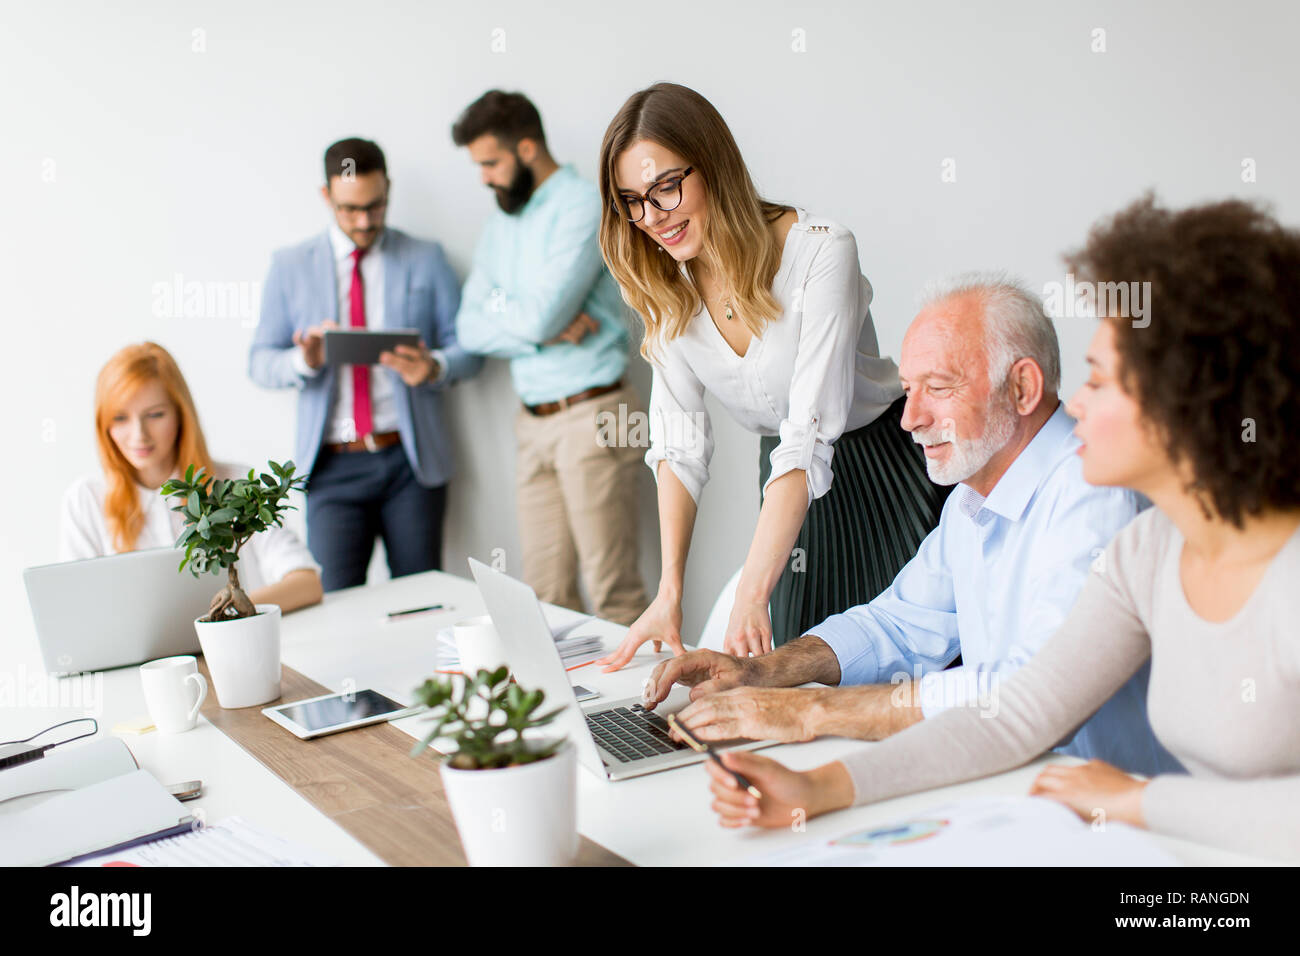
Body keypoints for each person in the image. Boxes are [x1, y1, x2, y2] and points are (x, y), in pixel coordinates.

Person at [703, 196, 1300, 862]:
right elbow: (1015, 713)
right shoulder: (1146, 552)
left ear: (1187, 403)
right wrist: (816, 788)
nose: (1073, 402)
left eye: (1099, 381)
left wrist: (1134, 800)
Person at [644, 274, 1180, 775]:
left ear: (1022, 388)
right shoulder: (971, 499)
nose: (909, 418)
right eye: (908, 388)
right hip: (1023, 787)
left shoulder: (1094, 492)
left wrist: (812, 712)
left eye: (939, 388)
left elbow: (1024, 690)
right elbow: (896, 626)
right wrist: (763, 672)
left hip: (1112, 816)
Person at [594, 83, 948, 669]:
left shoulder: (819, 252)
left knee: (892, 669)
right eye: (632, 200)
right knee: (797, 670)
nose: (652, 218)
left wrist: (752, 593)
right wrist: (669, 592)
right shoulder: (665, 285)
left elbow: (809, 437)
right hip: (785, 484)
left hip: (882, 468)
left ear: (713, 164)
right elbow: (678, 448)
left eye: (666, 188)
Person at [249, 137, 481, 591]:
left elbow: (469, 352)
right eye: (349, 209)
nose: (363, 221)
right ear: (326, 196)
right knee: (334, 603)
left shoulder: (426, 258)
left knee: (421, 601)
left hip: (408, 462)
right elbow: (259, 362)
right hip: (332, 467)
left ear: (388, 190)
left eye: (375, 207)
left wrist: (432, 367)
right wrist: (304, 360)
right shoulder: (290, 265)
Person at [451, 91, 647, 626]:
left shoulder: (583, 205)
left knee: (615, 593)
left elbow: (535, 315)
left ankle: (643, 712)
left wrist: (526, 322)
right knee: (544, 600)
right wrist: (542, 334)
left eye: (491, 162)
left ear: (528, 147)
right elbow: (469, 326)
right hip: (532, 422)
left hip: (594, 414)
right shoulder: (502, 222)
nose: (485, 177)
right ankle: (571, 712)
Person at [61, 342, 323, 613]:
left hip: (235, 649)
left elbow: (306, 583)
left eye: (155, 415)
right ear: (103, 424)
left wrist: (224, 615)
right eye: (120, 418)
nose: (139, 434)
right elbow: (79, 610)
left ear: (181, 414)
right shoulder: (86, 501)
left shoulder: (235, 483)